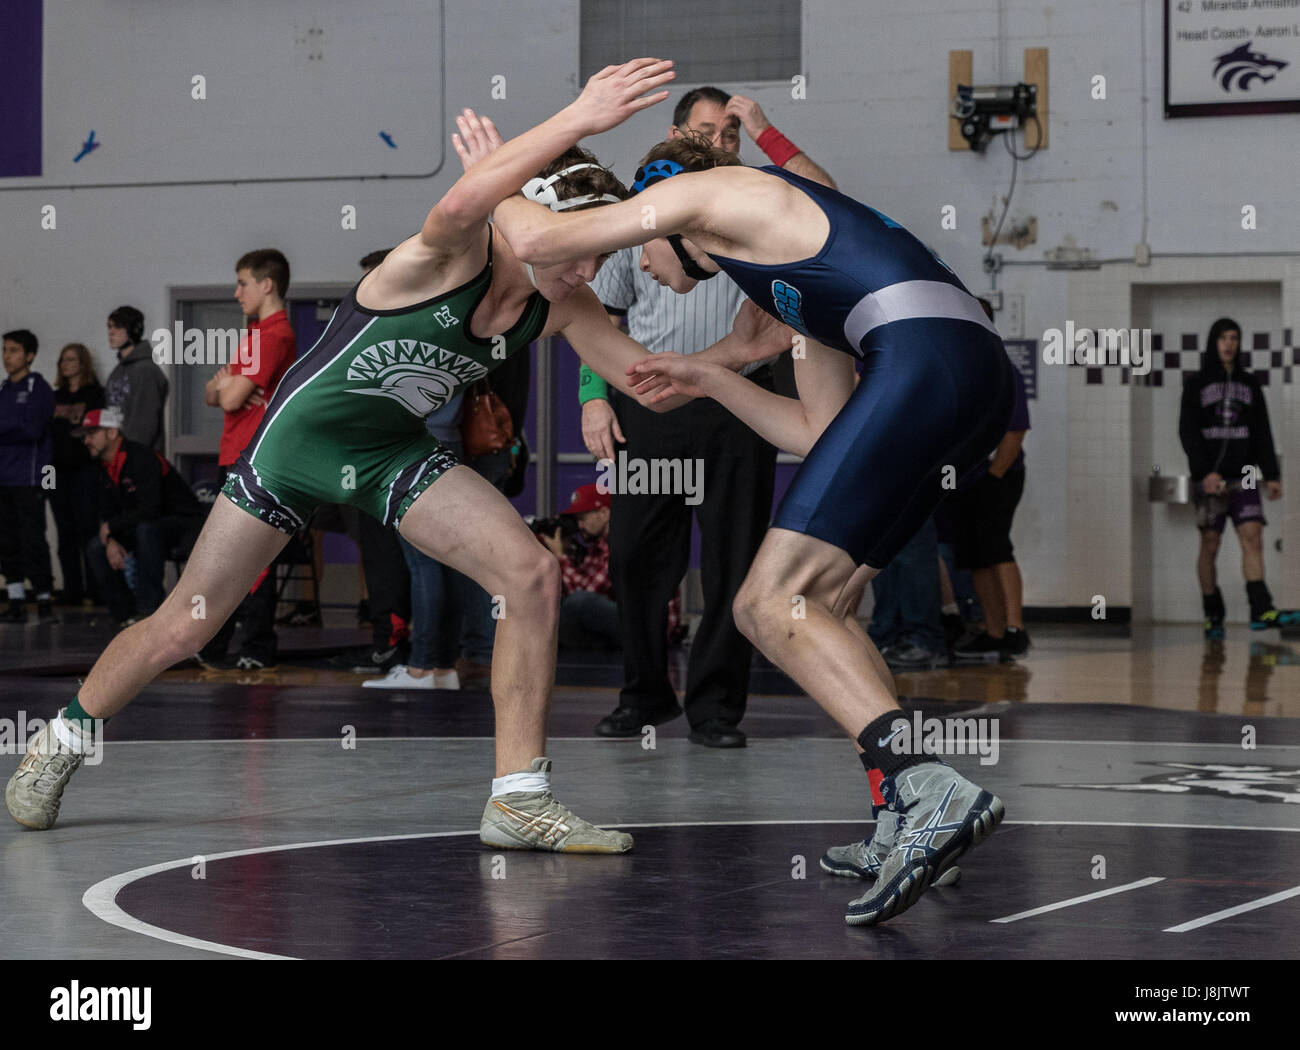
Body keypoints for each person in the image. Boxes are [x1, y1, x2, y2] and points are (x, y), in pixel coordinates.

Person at [7, 61, 785, 853]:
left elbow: (647, 384)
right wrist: (580, 116)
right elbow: (460, 201)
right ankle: (61, 741)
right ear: (530, 224)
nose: (588, 269)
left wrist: (739, 352)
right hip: (299, 443)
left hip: (392, 452)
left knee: (529, 574)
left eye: (596, 252)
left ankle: (518, 798)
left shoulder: (566, 304)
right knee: (186, 626)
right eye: (577, 249)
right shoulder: (448, 253)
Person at [480, 91, 1012, 924]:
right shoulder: (787, 284)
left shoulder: (713, 194)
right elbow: (820, 431)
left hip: (925, 358)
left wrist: (495, 172)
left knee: (769, 602)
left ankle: (929, 786)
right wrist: (713, 375)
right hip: (959, 371)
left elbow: (540, 237)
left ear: (662, 220)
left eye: (642, 251)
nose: (640, 271)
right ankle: (900, 811)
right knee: (827, 603)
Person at [581, 85, 832, 748]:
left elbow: (818, 198)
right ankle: (643, 696)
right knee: (636, 556)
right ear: (674, 134)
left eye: (729, 132)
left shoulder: (754, 213)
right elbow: (599, 318)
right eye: (704, 131)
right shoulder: (642, 215)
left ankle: (716, 708)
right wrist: (593, 397)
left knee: (732, 560)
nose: (718, 141)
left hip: (736, 409)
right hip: (653, 408)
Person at [196, 249, 297, 671]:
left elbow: (229, 394)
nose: (237, 292)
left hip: (254, 458)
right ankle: (226, 644)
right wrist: (225, 388)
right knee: (230, 556)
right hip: (236, 452)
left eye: (243, 283)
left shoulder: (273, 335)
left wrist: (229, 387)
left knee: (251, 557)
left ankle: (256, 645)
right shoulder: (256, 335)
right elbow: (209, 392)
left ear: (266, 284)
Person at [1180, 316, 1295, 637]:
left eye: (1234, 338)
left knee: (1253, 537)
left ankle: (1261, 609)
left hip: (1243, 475)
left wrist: (1271, 474)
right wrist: (1204, 472)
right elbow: (1187, 432)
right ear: (1213, 342)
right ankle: (1212, 611)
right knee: (1210, 544)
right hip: (1209, 480)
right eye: (1223, 338)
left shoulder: (1250, 383)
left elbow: (1261, 431)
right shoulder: (1196, 383)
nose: (1229, 344)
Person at [81, 408, 206, 626]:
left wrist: (112, 526)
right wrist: (110, 539)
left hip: (184, 523)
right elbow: (108, 512)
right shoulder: (102, 466)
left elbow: (152, 508)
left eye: (92, 433)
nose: (86, 440)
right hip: (143, 524)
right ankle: (124, 614)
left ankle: (149, 610)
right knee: (96, 546)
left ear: (112, 433)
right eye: (85, 435)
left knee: (147, 529)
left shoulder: (141, 456)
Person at [0, 329, 57, 624]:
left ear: (29, 355)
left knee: (33, 537)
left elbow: (32, 429)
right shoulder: (3, 389)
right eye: (5, 350)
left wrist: (5, 427)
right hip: (4, 476)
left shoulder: (39, 388)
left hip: (33, 475)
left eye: (13, 350)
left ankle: (45, 599)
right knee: (7, 540)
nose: (7, 356)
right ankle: (16, 599)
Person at [49, 343, 106, 606]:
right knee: (65, 531)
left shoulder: (95, 394)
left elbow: (99, 431)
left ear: (82, 363)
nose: (65, 364)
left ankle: (96, 590)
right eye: (62, 360)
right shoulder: (54, 396)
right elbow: (46, 436)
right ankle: (71, 590)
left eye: (71, 359)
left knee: (87, 528)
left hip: (85, 470)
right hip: (57, 471)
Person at [103, 306, 169, 452]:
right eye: (109, 327)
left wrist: (130, 456)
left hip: (138, 458)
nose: (111, 332)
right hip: (116, 455)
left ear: (134, 330)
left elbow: (145, 425)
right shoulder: (116, 372)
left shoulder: (147, 371)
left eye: (118, 327)